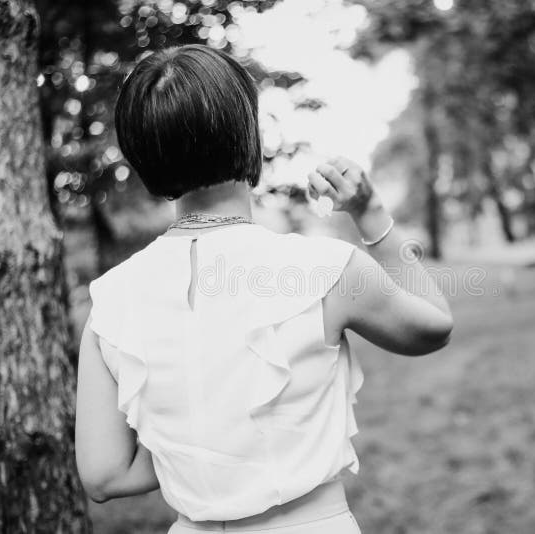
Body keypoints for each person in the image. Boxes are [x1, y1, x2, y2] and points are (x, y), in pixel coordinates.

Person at [75, 44, 453, 534]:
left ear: (142, 154)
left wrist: (201, 451)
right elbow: (434, 325)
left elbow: (103, 474)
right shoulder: (324, 270)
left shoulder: (110, 301)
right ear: (247, 134)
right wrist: (370, 213)